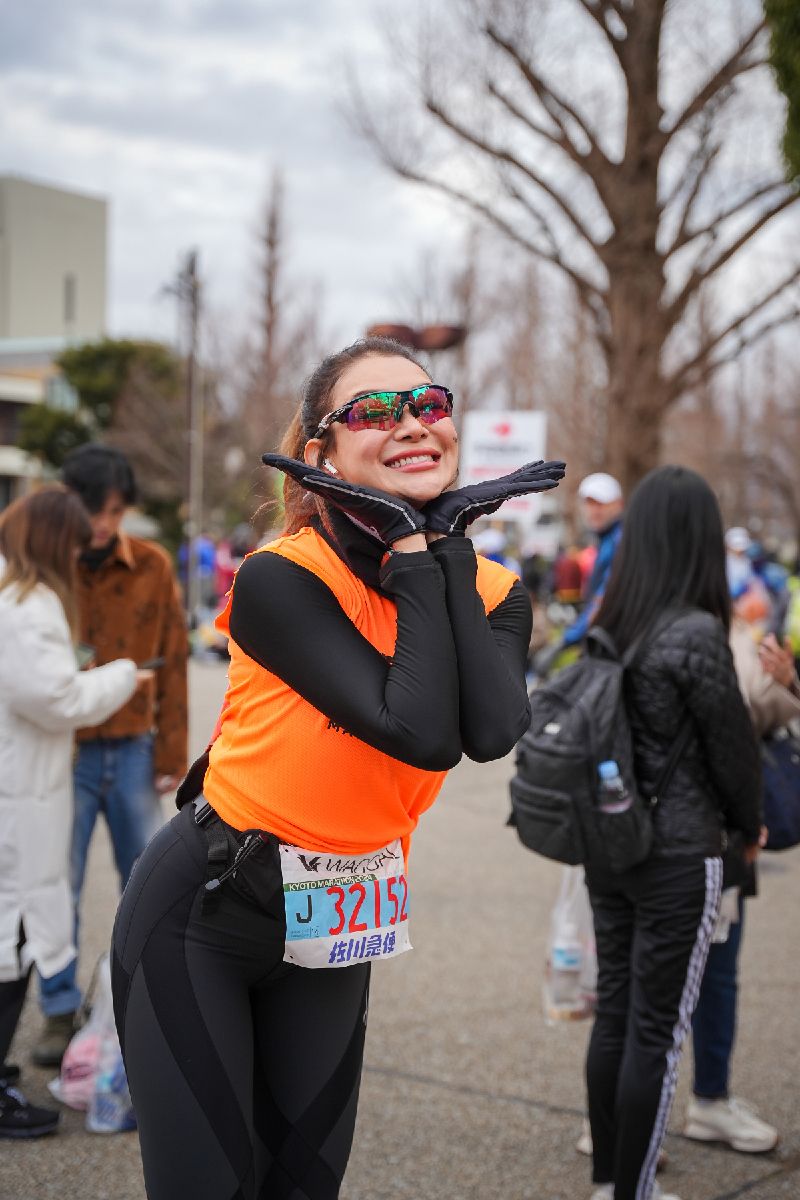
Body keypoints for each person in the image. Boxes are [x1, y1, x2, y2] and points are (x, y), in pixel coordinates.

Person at [111, 336, 564, 1200]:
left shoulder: (499, 592)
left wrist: (443, 547)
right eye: (374, 411)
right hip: (204, 912)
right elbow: (418, 733)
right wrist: (413, 547)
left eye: (429, 404)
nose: (412, 423)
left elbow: (492, 730)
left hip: (337, 920)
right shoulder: (282, 577)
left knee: (305, 1185)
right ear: (320, 454)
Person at [584, 466, 762, 1200]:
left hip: (609, 844)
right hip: (680, 854)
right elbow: (734, 754)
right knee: (657, 1031)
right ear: (699, 539)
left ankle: (608, 1180)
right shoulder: (696, 632)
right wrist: (749, 826)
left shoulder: (609, 623)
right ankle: (634, 1191)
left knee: (616, 1015)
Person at [33, 445, 189, 1068]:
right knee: (56, 883)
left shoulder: (151, 564)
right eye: (93, 508)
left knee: (147, 882)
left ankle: (146, 1003)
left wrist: (172, 749)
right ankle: (57, 1008)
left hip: (132, 747)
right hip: (61, 751)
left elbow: (174, 661)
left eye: (116, 511)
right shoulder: (42, 570)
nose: (103, 523)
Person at [0, 486, 141, 1136]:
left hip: (21, 787)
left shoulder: (15, 596)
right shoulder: (27, 607)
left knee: (17, 934)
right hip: (19, 799)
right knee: (13, 941)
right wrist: (122, 674)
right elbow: (57, 699)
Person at [684, 624, 798, 1153]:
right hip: (693, 833)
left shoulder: (724, 629)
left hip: (702, 832)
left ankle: (704, 1099)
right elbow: (738, 723)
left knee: (711, 972)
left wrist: (785, 684)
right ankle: (621, 1117)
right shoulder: (701, 630)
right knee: (649, 979)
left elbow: (750, 717)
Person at [534, 472, 623, 676]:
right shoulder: (606, 540)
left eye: (601, 503)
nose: (594, 510)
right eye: (589, 504)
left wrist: (565, 641)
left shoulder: (619, 541)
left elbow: (605, 597)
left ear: (618, 504)